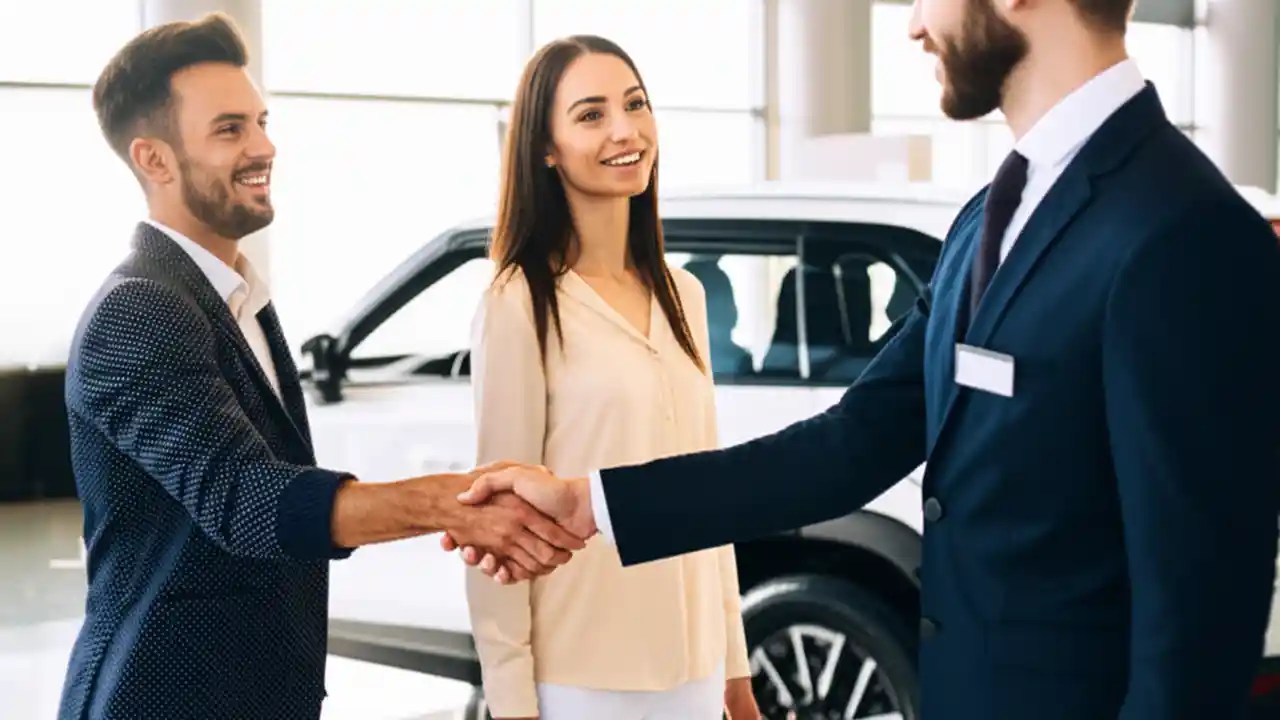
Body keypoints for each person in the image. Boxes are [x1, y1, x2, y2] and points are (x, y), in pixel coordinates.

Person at [449, 0, 1280, 718]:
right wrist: (590, 500)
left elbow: (1201, 619)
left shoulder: (1187, 232)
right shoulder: (988, 220)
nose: (915, 25)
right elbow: (851, 444)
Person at [59, 14, 583, 720]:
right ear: (154, 160)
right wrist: (456, 502)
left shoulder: (238, 300)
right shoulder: (140, 310)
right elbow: (251, 502)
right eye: (229, 130)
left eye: (261, 121)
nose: (264, 147)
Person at [463, 35, 758, 720]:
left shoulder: (684, 295)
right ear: (545, 147)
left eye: (635, 105)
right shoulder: (516, 302)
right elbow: (494, 520)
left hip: (696, 669)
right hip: (584, 679)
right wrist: (512, 701)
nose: (625, 131)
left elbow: (708, 492)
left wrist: (735, 672)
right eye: (591, 115)